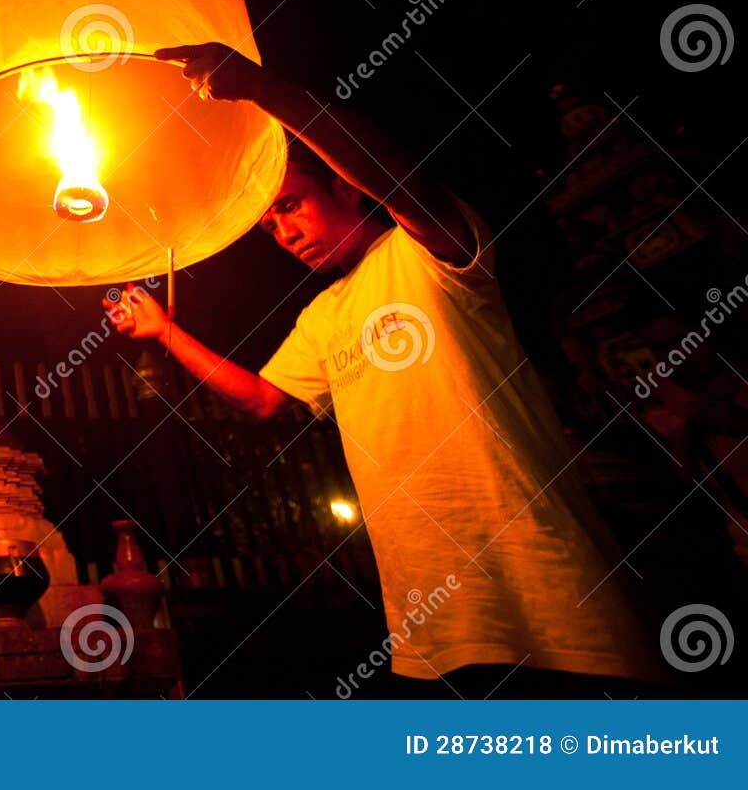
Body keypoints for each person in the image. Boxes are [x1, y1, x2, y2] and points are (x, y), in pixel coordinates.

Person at [105, 42, 666, 696]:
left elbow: (402, 182)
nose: (283, 233)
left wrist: (265, 90)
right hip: (433, 617)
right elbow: (260, 400)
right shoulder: (323, 314)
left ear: (345, 187)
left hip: (551, 585)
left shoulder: (431, 250)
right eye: (267, 226)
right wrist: (165, 330)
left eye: (291, 205)